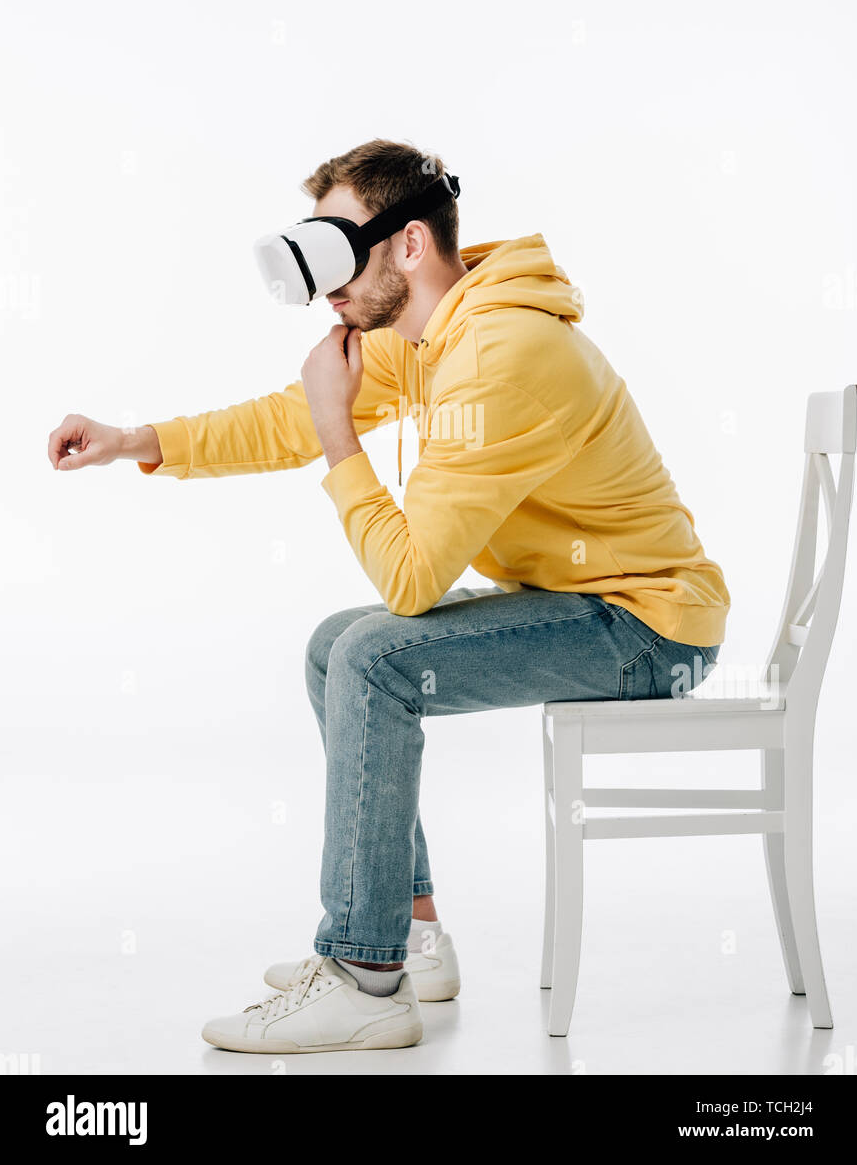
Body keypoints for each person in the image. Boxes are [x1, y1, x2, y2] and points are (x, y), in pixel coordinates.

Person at [47, 137, 730, 1054]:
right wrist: (138, 439)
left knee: (374, 654)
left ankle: (364, 978)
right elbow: (294, 416)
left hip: (650, 632)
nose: (321, 287)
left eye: (335, 248)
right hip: (590, 603)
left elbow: (409, 580)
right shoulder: (440, 333)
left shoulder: (499, 352)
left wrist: (338, 424)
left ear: (408, 245)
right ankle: (408, 934)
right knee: (339, 644)